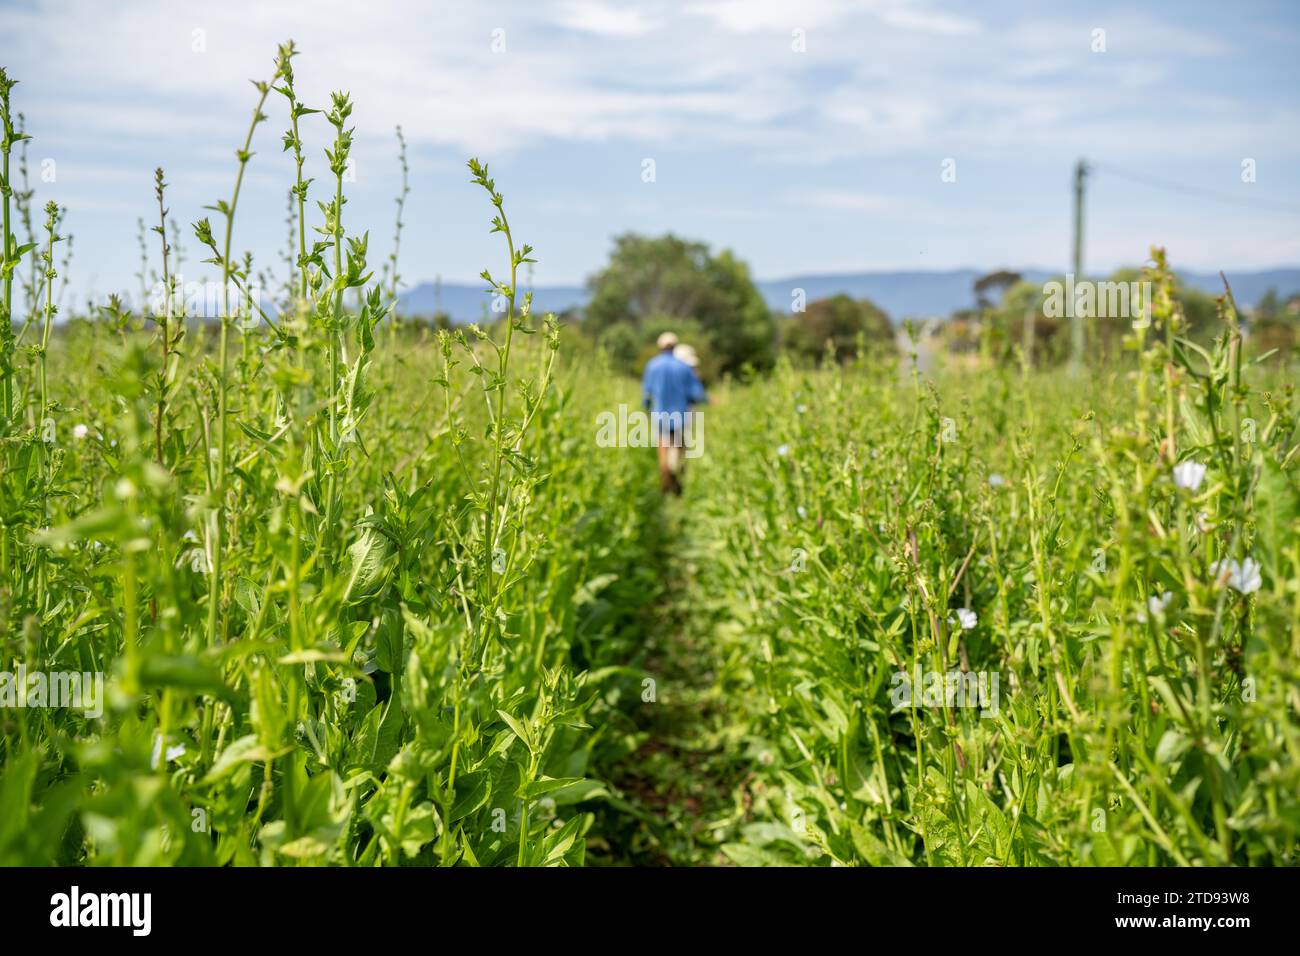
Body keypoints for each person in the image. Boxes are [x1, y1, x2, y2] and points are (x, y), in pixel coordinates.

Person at [641, 331, 707, 495]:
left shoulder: (652, 366)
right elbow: (696, 394)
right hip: (681, 416)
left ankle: (666, 484)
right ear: (675, 346)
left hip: (660, 415)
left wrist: (647, 409)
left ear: (659, 346)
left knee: (663, 449)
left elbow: (647, 394)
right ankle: (678, 486)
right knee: (679, 449)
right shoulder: (684, 367)